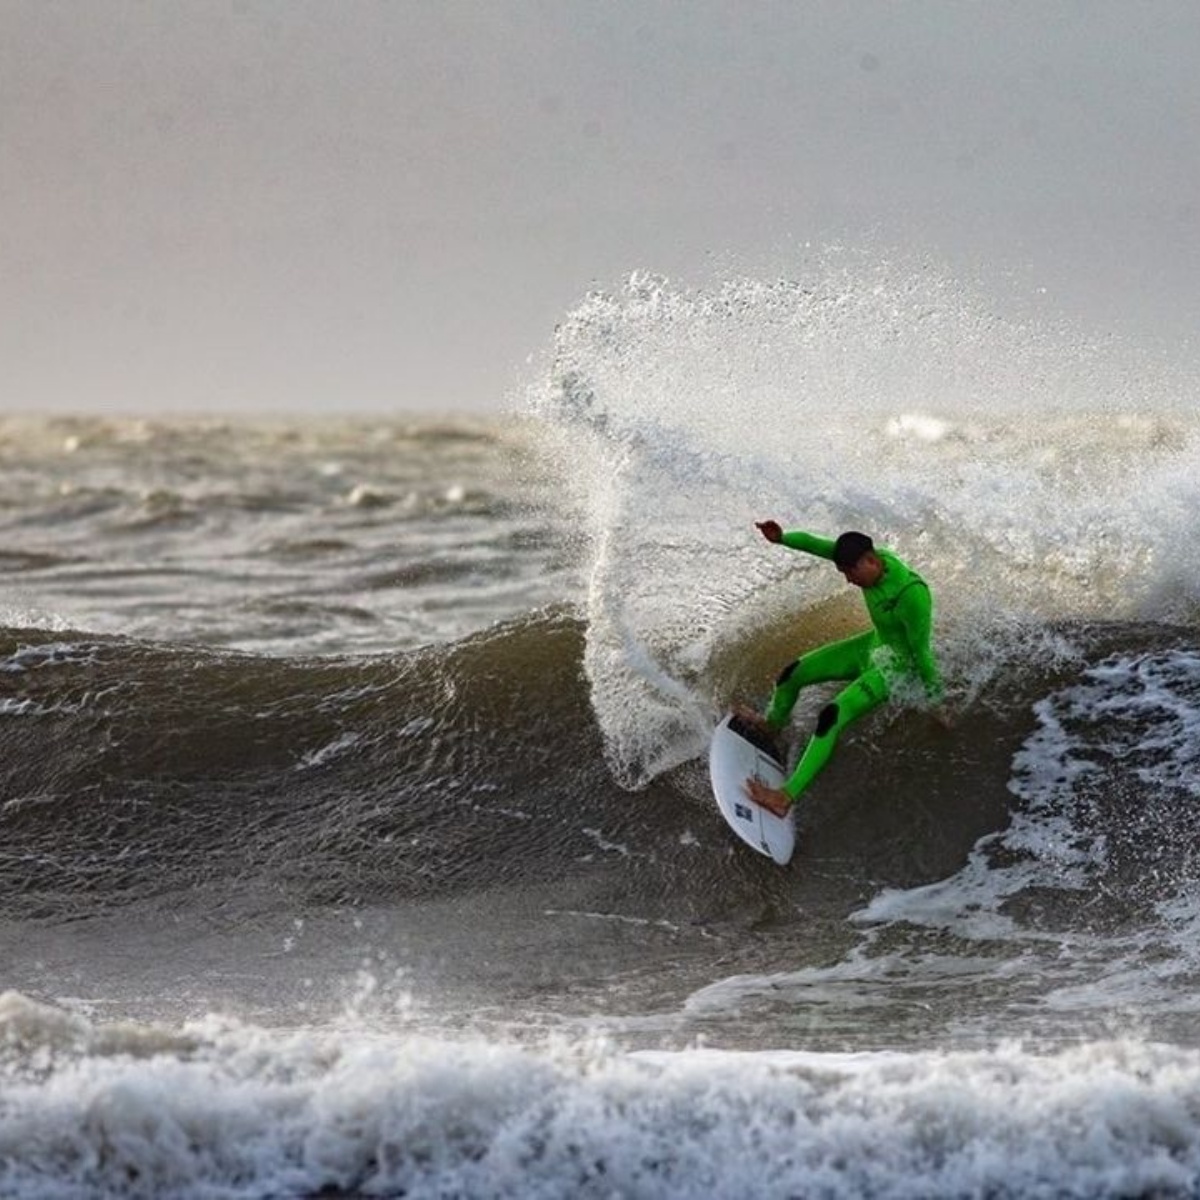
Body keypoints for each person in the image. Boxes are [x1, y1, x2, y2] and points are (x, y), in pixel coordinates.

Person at [741, 520, 948, 818]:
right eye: (844, 573)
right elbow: (817, 544)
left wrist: (937, 702)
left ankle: (785, 798)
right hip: (872, 647)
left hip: (895, 667)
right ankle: (772, 726)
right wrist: (782, 537)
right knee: (792, 673)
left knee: (831, 715)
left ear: (871, 561)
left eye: (851, 572)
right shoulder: (861, 557)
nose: (849, 580)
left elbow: (922, 654)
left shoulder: (911, 594)